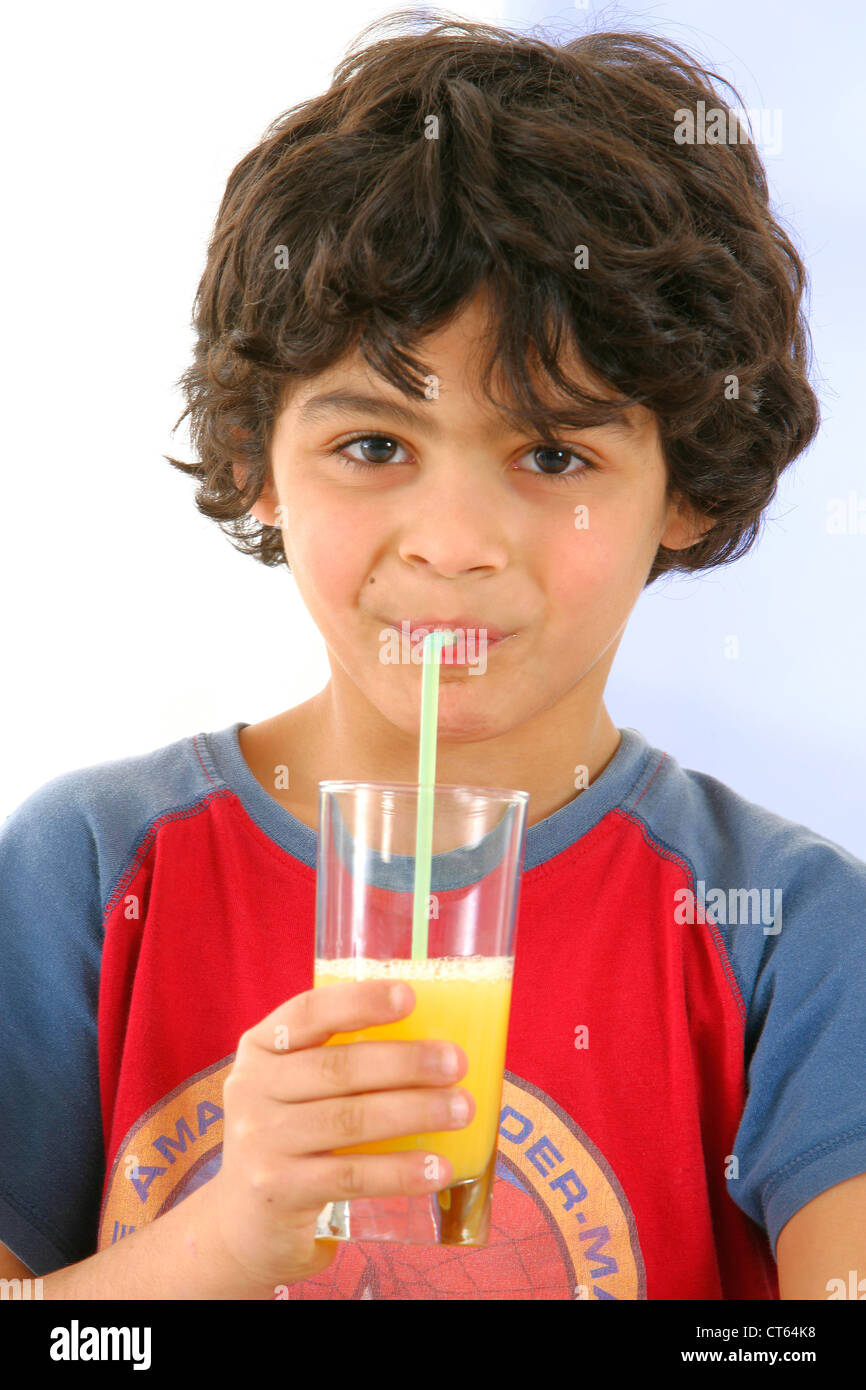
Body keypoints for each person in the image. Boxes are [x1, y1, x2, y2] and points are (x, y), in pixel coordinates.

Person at [1, 12, 863, 1302]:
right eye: (373, 446)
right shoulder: (88, 873)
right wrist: (227, 1237)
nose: (453, 545)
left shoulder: (791, 932)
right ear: (253, 458)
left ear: (689, 487)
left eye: (555, 455)